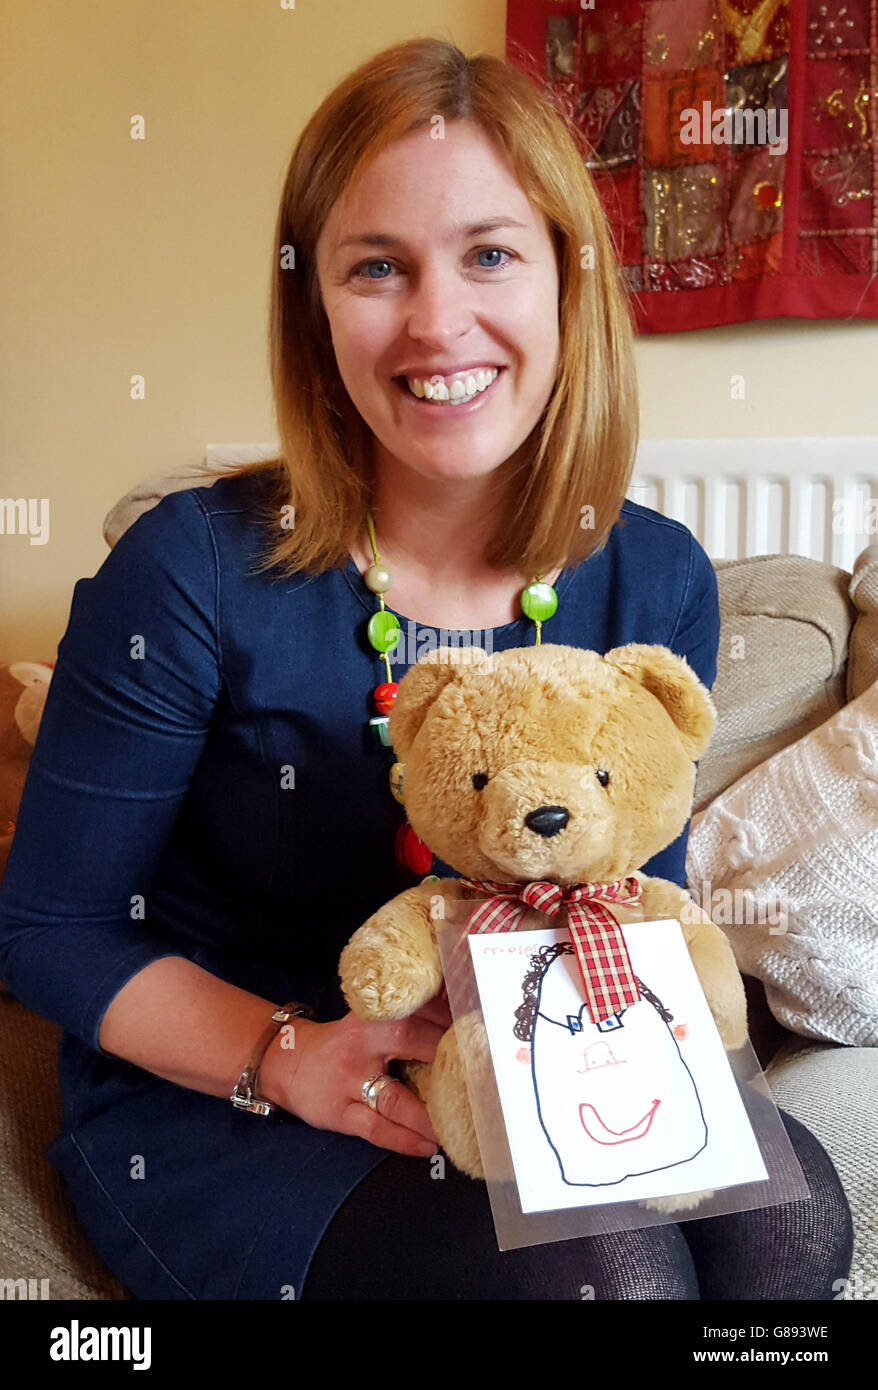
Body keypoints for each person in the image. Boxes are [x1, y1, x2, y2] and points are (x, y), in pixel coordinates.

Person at [0, 37, 852, 1301]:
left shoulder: (650, 573)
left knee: (791, 1234)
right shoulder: (190, 568)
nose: (437, 320)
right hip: (235, 1090)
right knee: (605, 1277)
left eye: (489, 254)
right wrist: (281, 1054)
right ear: (312, 303)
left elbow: (622, 888)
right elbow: (48, 929)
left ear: (567, 280)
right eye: (376, 268)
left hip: (525, 1050)